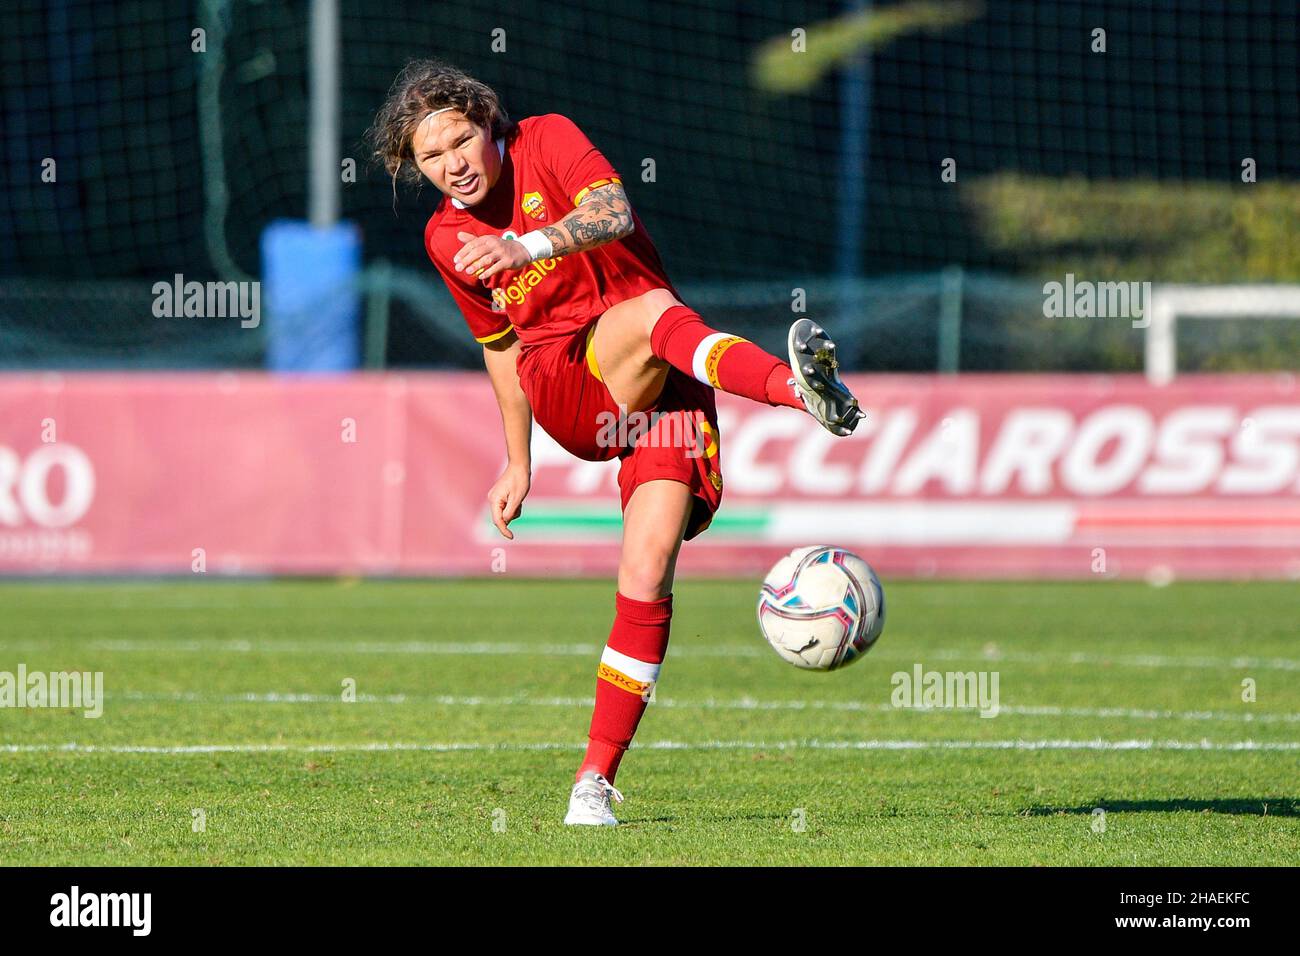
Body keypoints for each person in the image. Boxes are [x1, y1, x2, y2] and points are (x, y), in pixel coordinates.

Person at [370, 59, 861, 826]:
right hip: (566, 379)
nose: (451, 166)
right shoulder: (446, 237)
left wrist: (526, 247)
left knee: (648, 566)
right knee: (651, 308)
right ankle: (796, 389)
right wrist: (519, 459)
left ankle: (591, 784)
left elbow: (614, 213)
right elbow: (501, 348)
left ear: (489, 125)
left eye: (460, 141)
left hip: (659, 380)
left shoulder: (551, 138)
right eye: (430, 158)